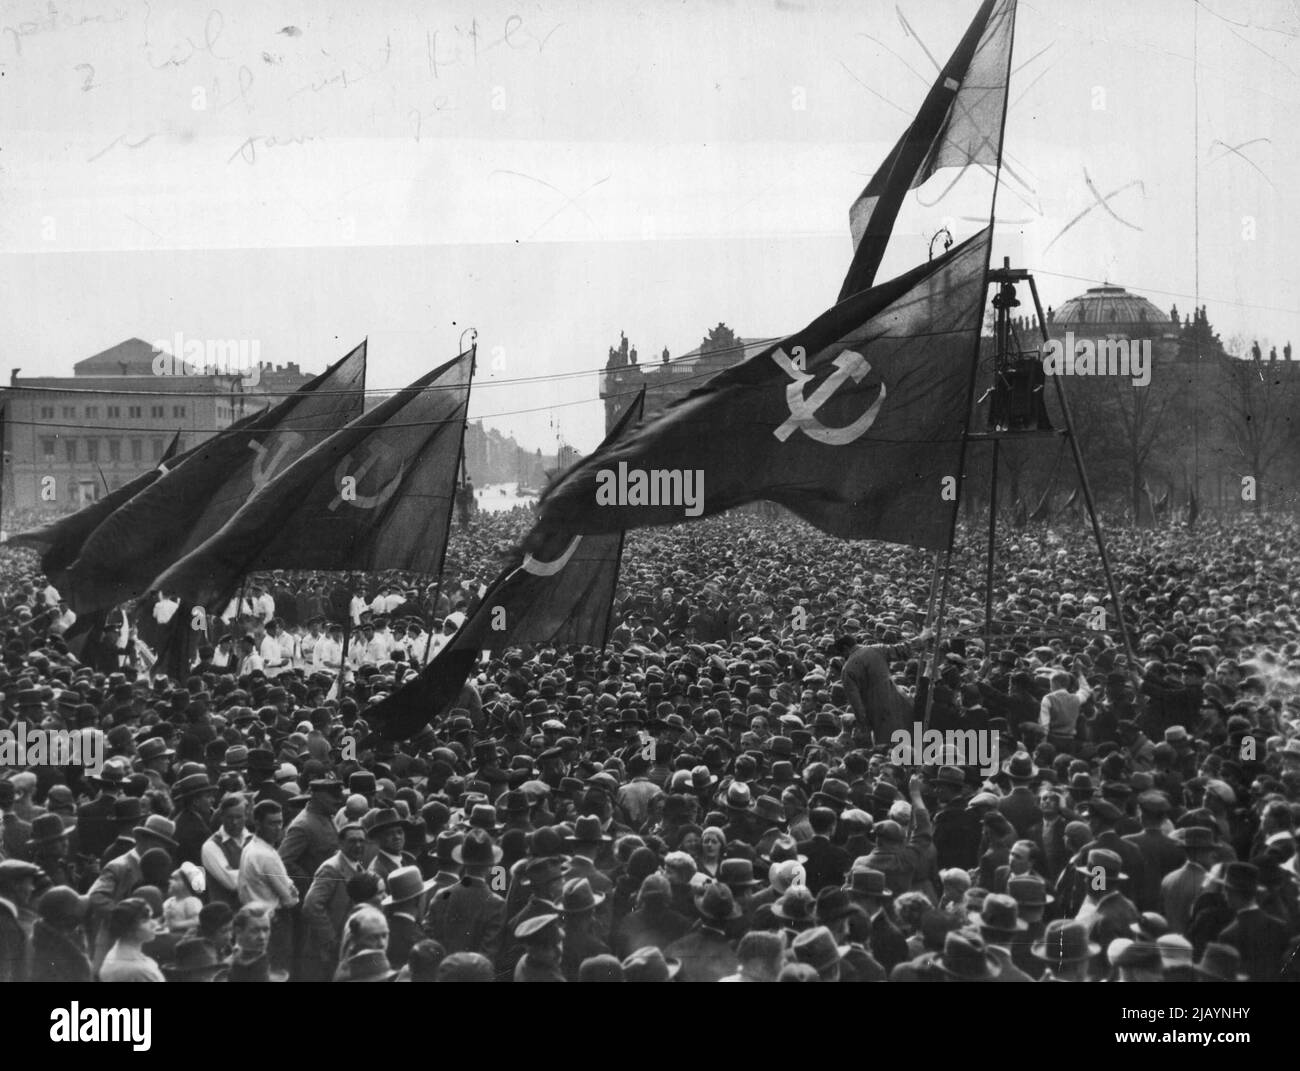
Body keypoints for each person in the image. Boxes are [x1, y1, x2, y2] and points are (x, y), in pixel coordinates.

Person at [98, 898, 165, 982]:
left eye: (151, 918)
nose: (154, 924)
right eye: (145, 921)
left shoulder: (118, 951)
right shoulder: (138, 969)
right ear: (128, 929)